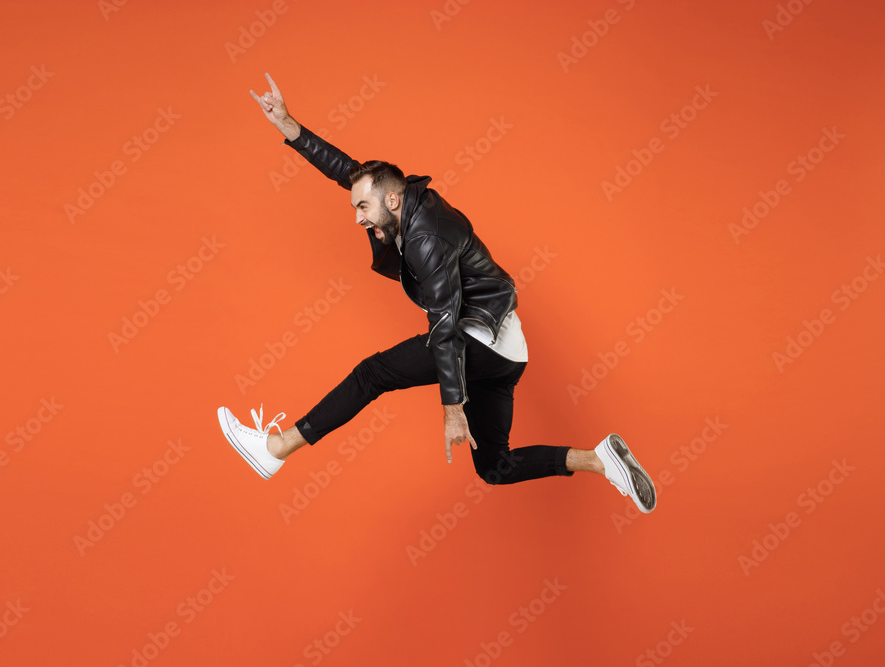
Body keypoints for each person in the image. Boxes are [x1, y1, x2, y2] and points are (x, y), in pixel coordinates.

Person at [217, 73, 656, 514]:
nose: (357, 219)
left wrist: (453, 408)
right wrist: (290, 127)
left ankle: (275, 449)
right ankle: (600, 460)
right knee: (495, 467)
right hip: (509, 354)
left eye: (362, 208)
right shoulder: (402, 202)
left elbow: (444, 322)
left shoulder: (427, 236)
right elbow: (349, 173)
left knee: (372, 374)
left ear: (391, 202)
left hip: (477, 341)